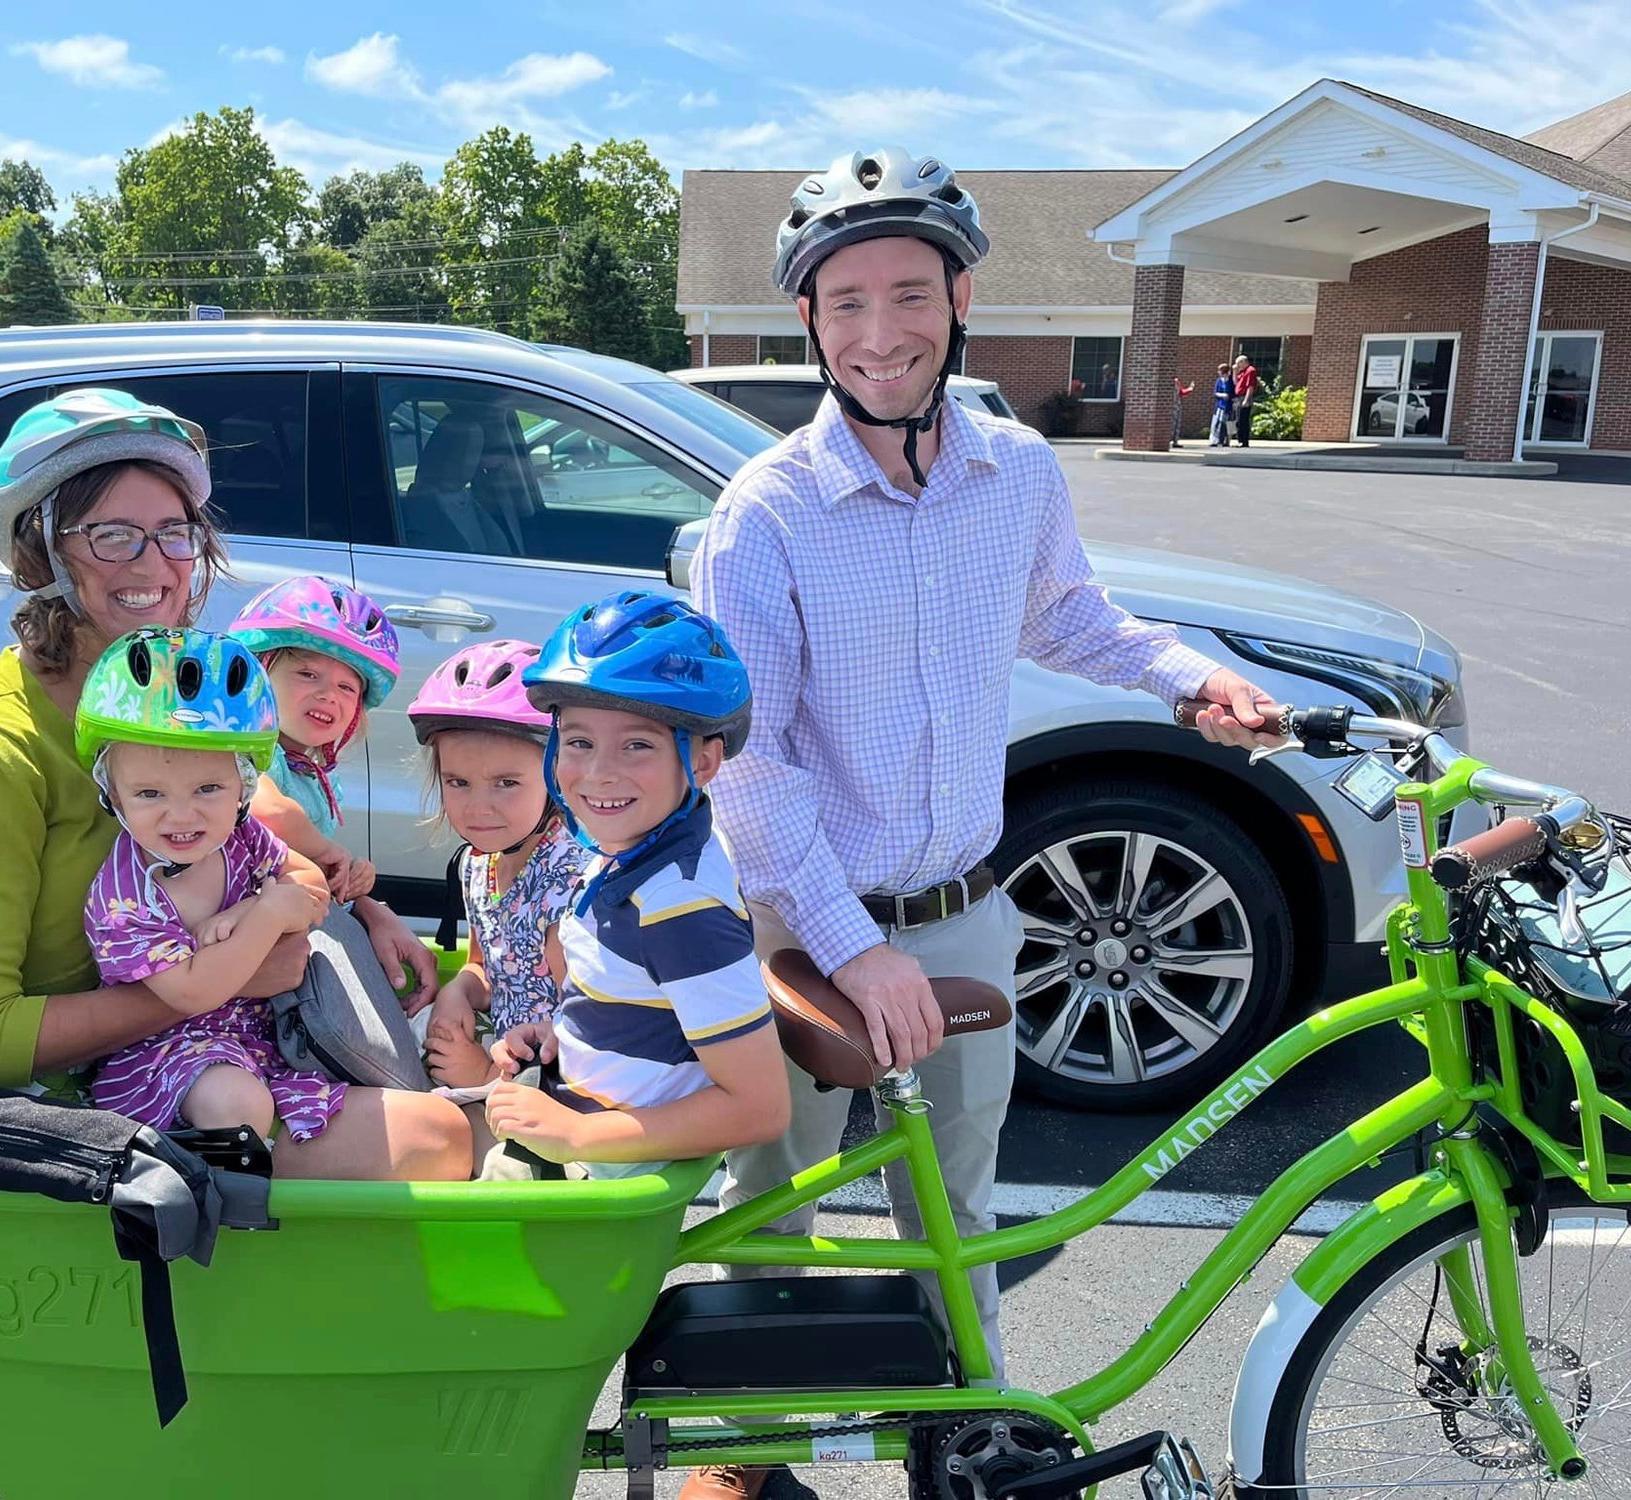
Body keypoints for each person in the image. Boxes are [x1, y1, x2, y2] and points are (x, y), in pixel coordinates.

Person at [687, 147, 1282, 1500]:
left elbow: (1066, 613)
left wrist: (1191, 681)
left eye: (907, 292)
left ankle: (964, 1453)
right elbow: (751, 767)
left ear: (959, 302)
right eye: (845, 302)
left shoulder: (1012, 471)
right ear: (810, 323)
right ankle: (755, 1461)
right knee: (770, 1217)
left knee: (954, 1217)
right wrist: (853, 949)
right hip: (792, 922)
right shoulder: (764, 517)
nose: (879, 330)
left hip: (962, 907)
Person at [0, 387, 466, 1181]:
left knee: (463, 1088)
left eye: (173, 533)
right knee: (440, 1141)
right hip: (82, 1094)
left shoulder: (176, 690)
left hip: (225, 1034)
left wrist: (313, 894)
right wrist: (200, 986)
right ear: (43, 553)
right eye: (113, 536)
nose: (154, 564)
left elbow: (262, 830)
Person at [77, 627, 469, 1170]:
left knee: (404, 1117)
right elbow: (193, 991)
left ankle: (247, 1166)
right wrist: (266, 915)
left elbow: (308, 881)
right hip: (166, 1056)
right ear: (111, 792)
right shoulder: (124, 894)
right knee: (235, 1103)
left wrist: (246, 908)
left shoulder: (241, 837)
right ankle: (213, 1189)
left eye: (207, 790)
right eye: (149, 794)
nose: (182, 815)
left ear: (243, 787)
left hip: (259, 1039)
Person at [478, 591, 791, 1181]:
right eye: (578, 741)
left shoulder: (681, 906)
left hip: (597, 1182)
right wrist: (566, 1035)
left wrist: (577, 1133)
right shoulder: (631, 853)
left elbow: (759, 1108)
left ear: (702, 762)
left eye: (638, 744)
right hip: (582, 1127)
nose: (598, 772)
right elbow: (647, 1007)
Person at [227, 576, 432, 981]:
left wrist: (352, 877)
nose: (328, 695)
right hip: (238, 938)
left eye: (346, 687)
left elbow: (308, 847)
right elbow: (271, 813)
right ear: (259, 676)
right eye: (307, 674)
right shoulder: (249, 752)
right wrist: (329, 853)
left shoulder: (312, 773)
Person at [405, 640, 586, 1089]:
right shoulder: (477, 864)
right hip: (500, 1054)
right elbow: (487, 967)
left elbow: (588, 1030)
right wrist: (458, 991)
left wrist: (485, 1074)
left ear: (557, 775)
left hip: (556, 1086)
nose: (478, 807)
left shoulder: (568, 883)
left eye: (506, 783)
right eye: (458, 782)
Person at [1232, 353, 1259, 448]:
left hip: (1245, 397)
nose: (1238, 366)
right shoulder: (1242, 372)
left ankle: (1244, 441)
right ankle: (1240, 440)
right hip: (1239, 397)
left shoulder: (1250, 371)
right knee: (1238, 420)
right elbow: (1236, 382)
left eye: (1238, 363)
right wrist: (1235, 371)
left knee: (1243, 420)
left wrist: (1246, 400)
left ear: (1243, 362)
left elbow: (1250, 386)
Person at [1210, 361, 1234, 447]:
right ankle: (1215, 440)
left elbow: (1233, 393)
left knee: (1226, 423)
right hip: (1220, 405)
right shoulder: (1219, 381)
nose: (1218, 372)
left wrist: (1229, 396)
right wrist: (1222, 395)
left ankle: (1225, 440)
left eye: (1220, 371)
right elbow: (1215, 392)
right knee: (1217, 422)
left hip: (1228, 406)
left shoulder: (1231, 381)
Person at [1172, 374, 1196, 447]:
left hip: (1177, 405)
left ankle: (1175, 442)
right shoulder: (1167, 383)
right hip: (1171, 406)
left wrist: (1190, 388)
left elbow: (1181, 392)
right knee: (1172, 424)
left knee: (1177, 424)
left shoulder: (1177, 382)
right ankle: (1167, 441)